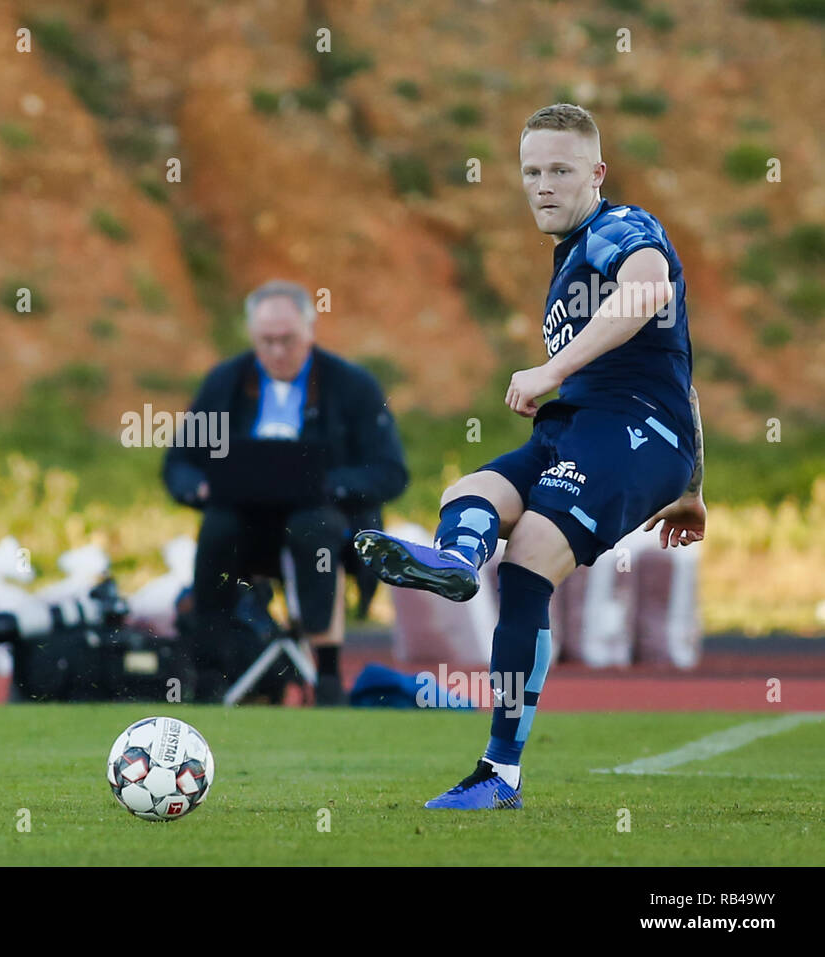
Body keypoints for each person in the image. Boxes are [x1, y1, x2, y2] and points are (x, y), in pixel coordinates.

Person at [356, 104, 706, 808]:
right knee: (470, 490)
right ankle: (458, 563)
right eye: (531, 172)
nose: (542, 185)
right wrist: (695, 489)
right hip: (580, 429)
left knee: (530, 560)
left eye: (560, 170)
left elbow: (648, 289)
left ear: (597, 173)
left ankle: (500, 772)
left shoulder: (620, 228)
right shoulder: (572, 254)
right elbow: (683, 371)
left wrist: (549, 371)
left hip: (628, 429)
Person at [164, 280, 409, 705]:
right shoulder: (225, 383)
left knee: (314, 527)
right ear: (252, 336)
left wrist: (328, 484)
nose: (277, 351)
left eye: (287, 339)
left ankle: (328, 673)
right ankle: (209, 670)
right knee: (217, 528)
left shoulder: (353, 386)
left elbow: (390, 471)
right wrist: (199, 487)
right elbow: (179, 463)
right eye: (266, 341)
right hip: (244, 523)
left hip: (326, 521)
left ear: (310, 332)